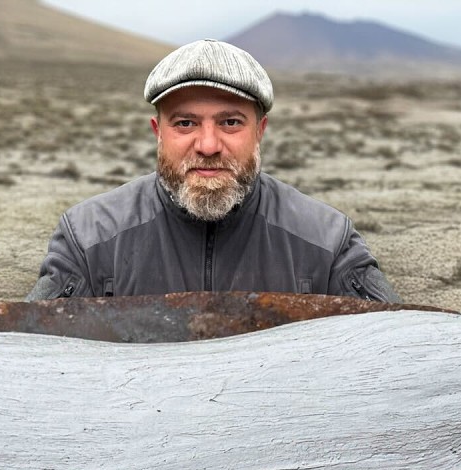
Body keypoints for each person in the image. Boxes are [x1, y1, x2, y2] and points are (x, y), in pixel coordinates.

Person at [25, 39, 401, 303]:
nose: (208, 145)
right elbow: (26, 353)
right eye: (185, 123)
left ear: (260, 130)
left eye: (230, 122)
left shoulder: (328, 241)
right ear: (158, 132)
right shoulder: (88, 238)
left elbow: (401, 348)